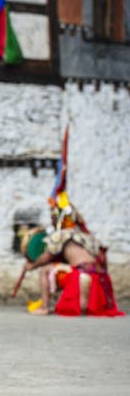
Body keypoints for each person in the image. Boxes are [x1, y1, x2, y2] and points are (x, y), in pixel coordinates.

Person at [21, 127, 123, 317]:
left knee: (46, 271)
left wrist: (32, 265)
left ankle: (44, 306)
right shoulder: (87, 237)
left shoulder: (63, 235)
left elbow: (47, 257)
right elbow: (103, 259)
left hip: (81, 276)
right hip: (100, 279)